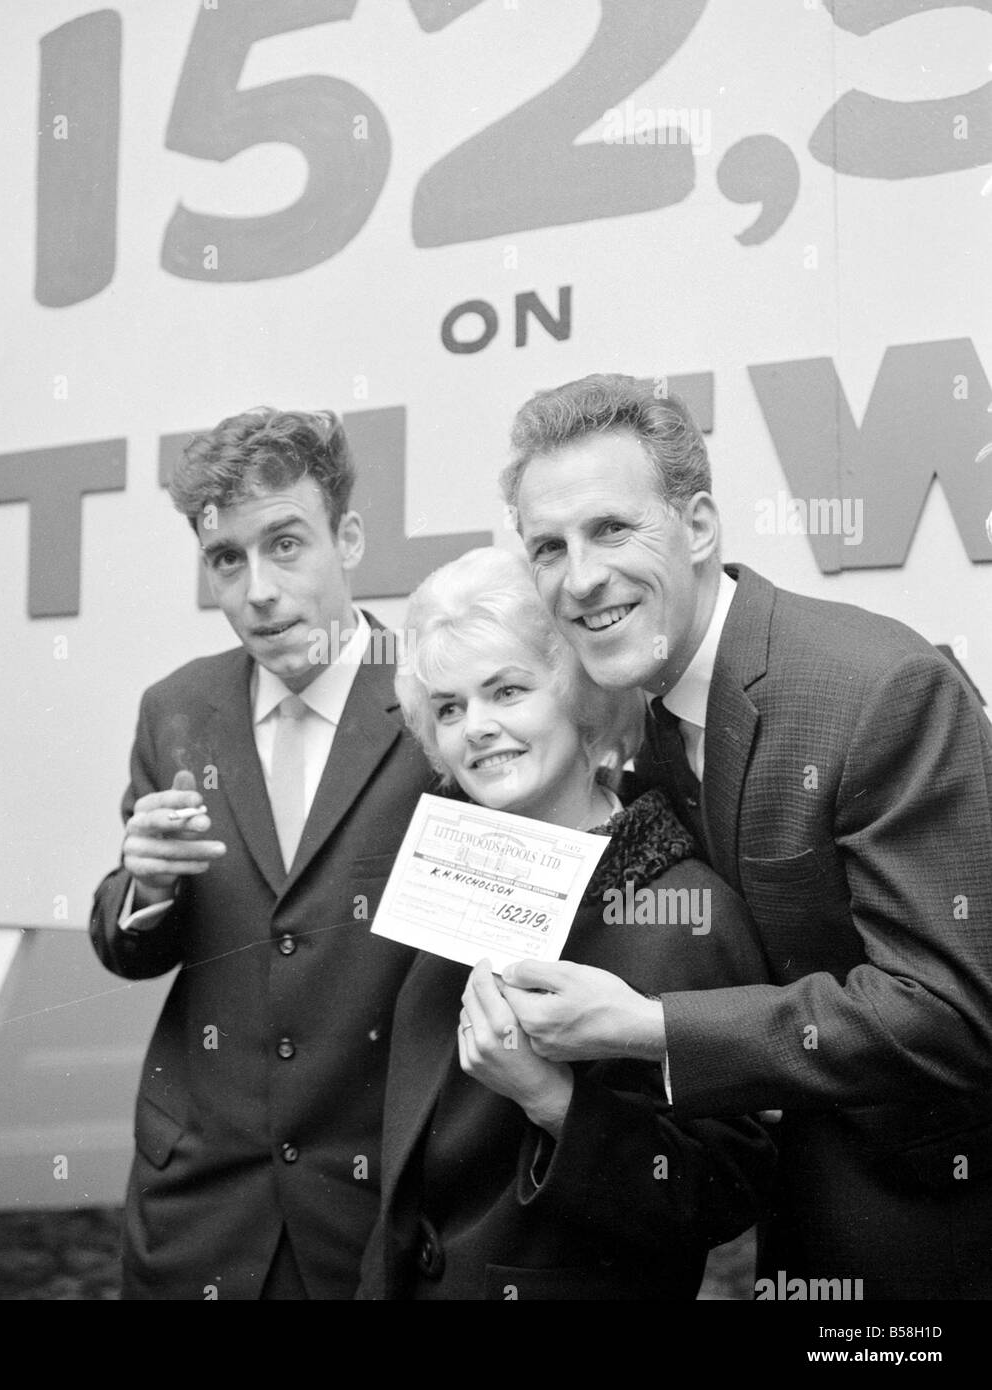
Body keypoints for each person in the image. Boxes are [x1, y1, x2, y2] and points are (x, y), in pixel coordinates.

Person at [499, 373, 992, 1298]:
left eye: (611, 528)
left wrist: (648, 1028)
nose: (581, 577)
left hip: (932, 1233)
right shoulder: (631, 716)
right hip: (789, 1225)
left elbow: (954, 1012)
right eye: (547, 548)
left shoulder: (877, 689)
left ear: (699, 527)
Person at [357, 546, 774, 1300]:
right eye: (449, 707)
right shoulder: (442, 879)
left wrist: (552, 1099)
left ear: (581, 695)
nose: (476, 727)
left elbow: (724, 1193)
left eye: (507, 691)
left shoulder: (686, 909)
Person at [89, 408, 435, 1299]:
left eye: (286, 545)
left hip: (377, 1210)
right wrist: (145, 889)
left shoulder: (441, 698)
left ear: (348, 537)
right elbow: (132, 944)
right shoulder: (176, 707)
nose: (259, 591)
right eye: (226, 560)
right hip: (196, 1205)